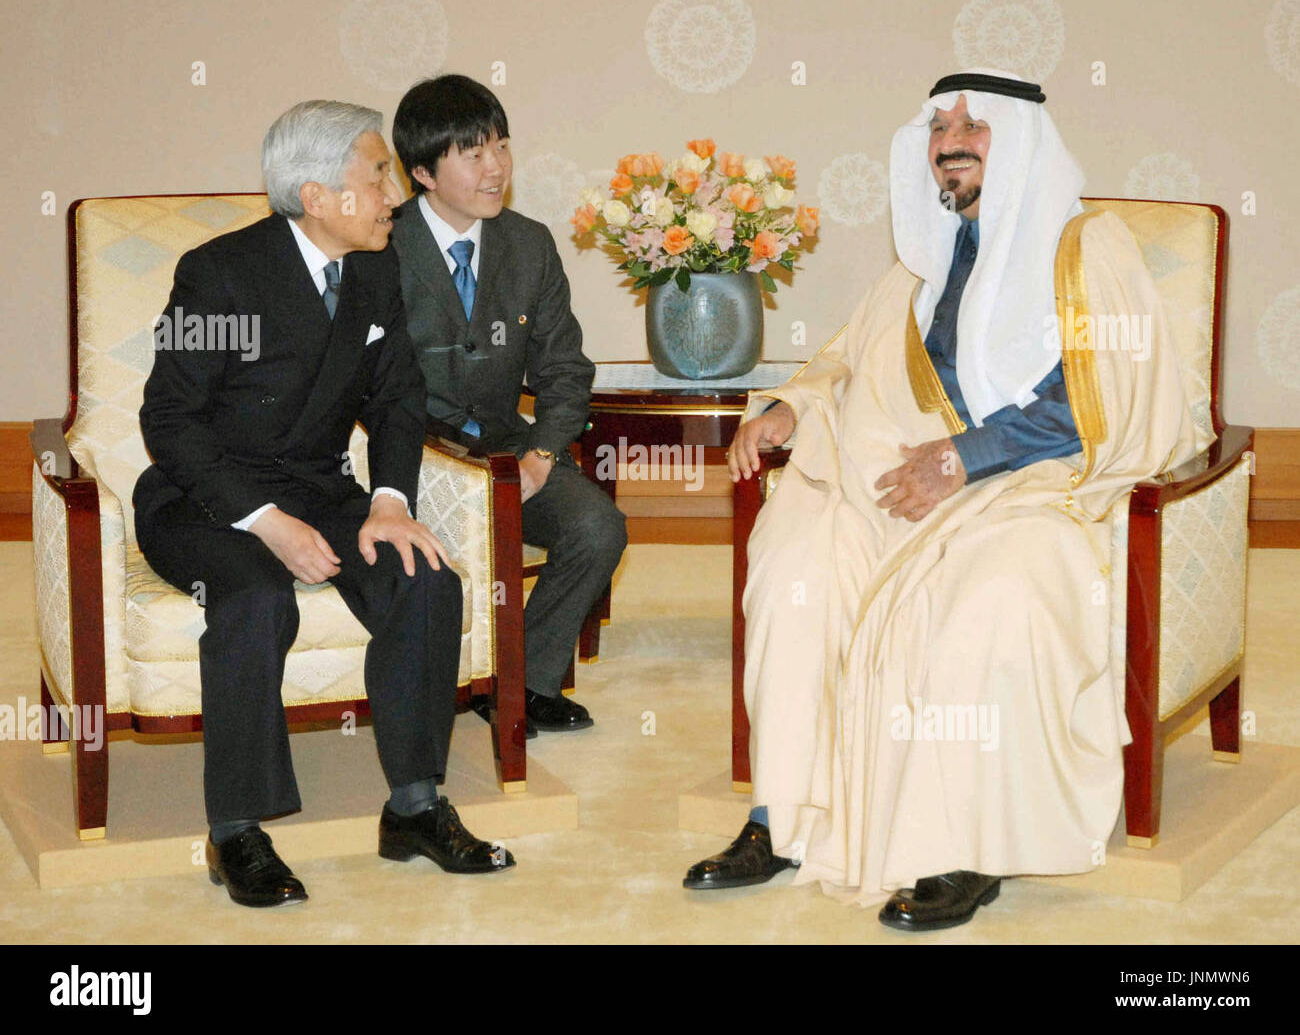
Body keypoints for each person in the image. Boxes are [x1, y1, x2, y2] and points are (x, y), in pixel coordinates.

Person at [682, 70, 1206, 930]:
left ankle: (965, 844)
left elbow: (1100, 397)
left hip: (1029, 494)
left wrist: (966, 458)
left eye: (975, 125)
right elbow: (845, 362)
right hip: (890, 486)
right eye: (938, 125)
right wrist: (788, 407)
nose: (951, 137)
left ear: (1023, 140)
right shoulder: (924, 261)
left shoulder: (1087, 248)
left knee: (992, 603)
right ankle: (780, 820)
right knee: (795, 567)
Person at [134, 100, 513, 909]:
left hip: (319, 484)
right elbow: (166, 420)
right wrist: (265, 525)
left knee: (425, 575)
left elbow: (400, 394)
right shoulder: (219, 274)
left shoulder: (376, 267)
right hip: (204, 496)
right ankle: (236, 829)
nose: (392, 195)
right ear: (316, 196)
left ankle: (414, 805)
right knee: (256, 598)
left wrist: (388, 500)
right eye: (377, 175)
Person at [389, 74, 627, 735]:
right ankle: (445, 682)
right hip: (414, 452)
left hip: (503, 444)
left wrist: (544, 452)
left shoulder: (528, 244)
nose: (496, 167)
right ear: (423, 173)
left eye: (501, 145)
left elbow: (564, 366)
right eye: (473, 153)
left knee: (597, 528)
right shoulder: (380, 247)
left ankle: (522, 685)